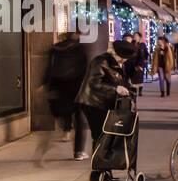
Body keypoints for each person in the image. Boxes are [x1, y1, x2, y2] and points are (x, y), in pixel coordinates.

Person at [39, 31, 88, 163]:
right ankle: (78, 152)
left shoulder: (55, 48)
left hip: (58, 87)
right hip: (76, 87)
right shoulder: (79, 49)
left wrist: (44, 84)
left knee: (63, 113)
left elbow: (49, 68)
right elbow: (84, 69)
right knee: (79, 120)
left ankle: (63, 133)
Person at [75, 38, 133, 151]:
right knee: (100, 134)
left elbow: (122, 81)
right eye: (125, 58)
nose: (125, 61)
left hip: (103, 102)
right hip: (92, 102)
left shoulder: (116, 63)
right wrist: (115, 89)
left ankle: (103, 163)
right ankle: (98, 165)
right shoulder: (101, 62)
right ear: (119, 55)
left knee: (105, 133)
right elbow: (94, 83)